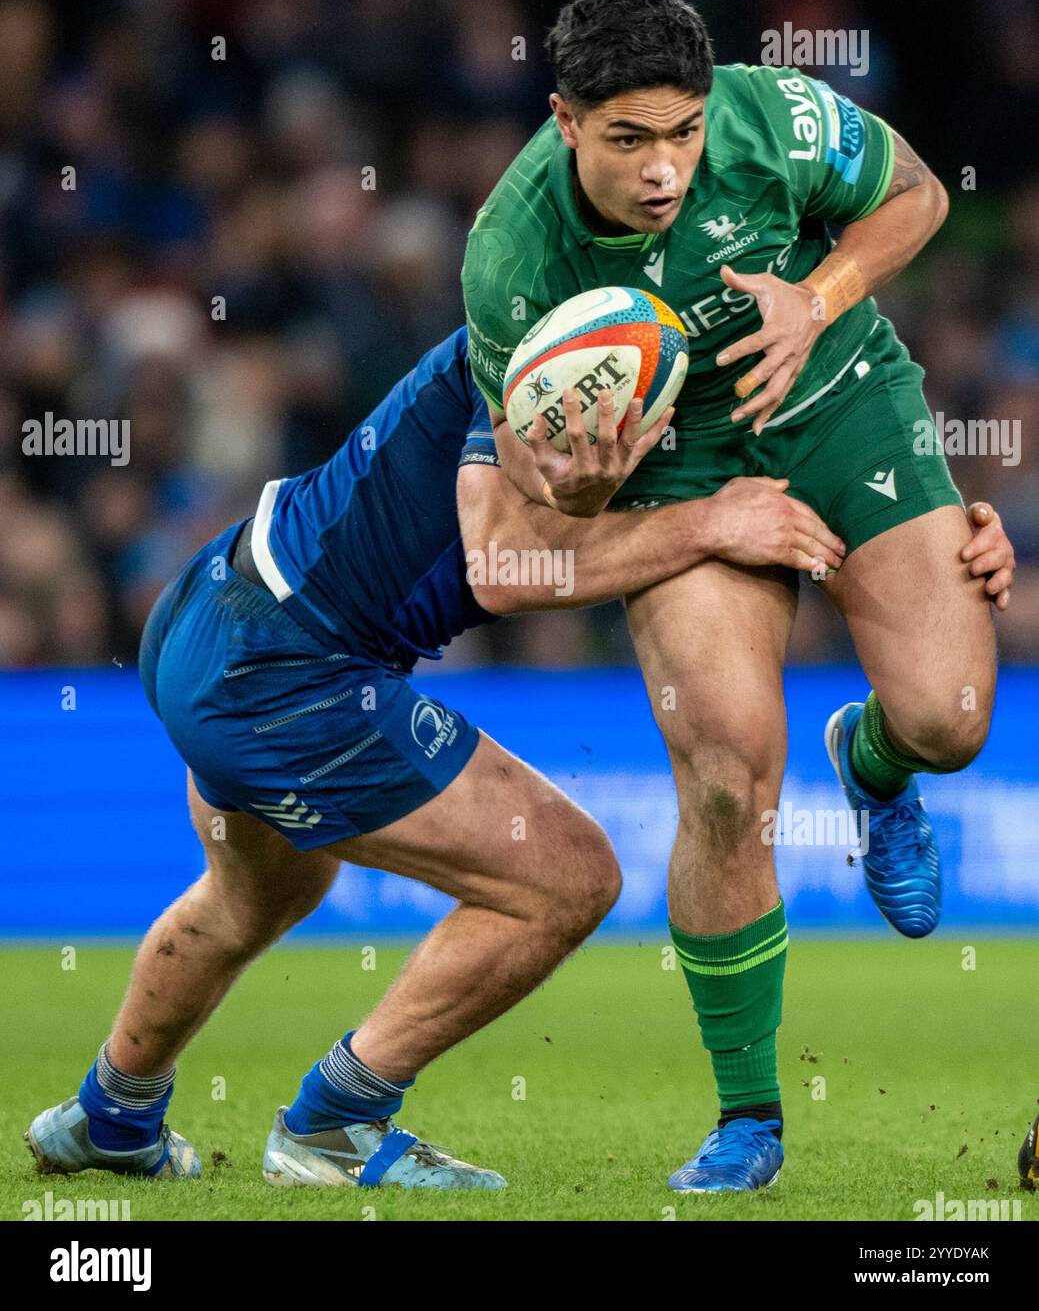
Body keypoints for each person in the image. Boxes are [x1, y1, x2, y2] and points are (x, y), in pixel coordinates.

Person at [25, 327, 867, 1190]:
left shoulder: (548, 324)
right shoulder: (543, 337)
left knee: (260, 892)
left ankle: (112, 1115)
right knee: (567, 877)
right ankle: (337, 1123)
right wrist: (714, 520)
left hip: (218, 601)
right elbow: (505, 564)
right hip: (285, 671)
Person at [461, 0, 1017, 1191]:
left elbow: (915, 196)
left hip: (833, 392)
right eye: (628, 140)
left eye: (682, 132)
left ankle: (872, 764)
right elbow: (521, 497)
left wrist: (814, 300)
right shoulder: (510, 254)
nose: (663, 168)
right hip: (680, 467)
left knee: (952, 719)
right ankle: (749, 1115)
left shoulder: (774, 118)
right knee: (723, 766)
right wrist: (582, 478)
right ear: (564, 119)